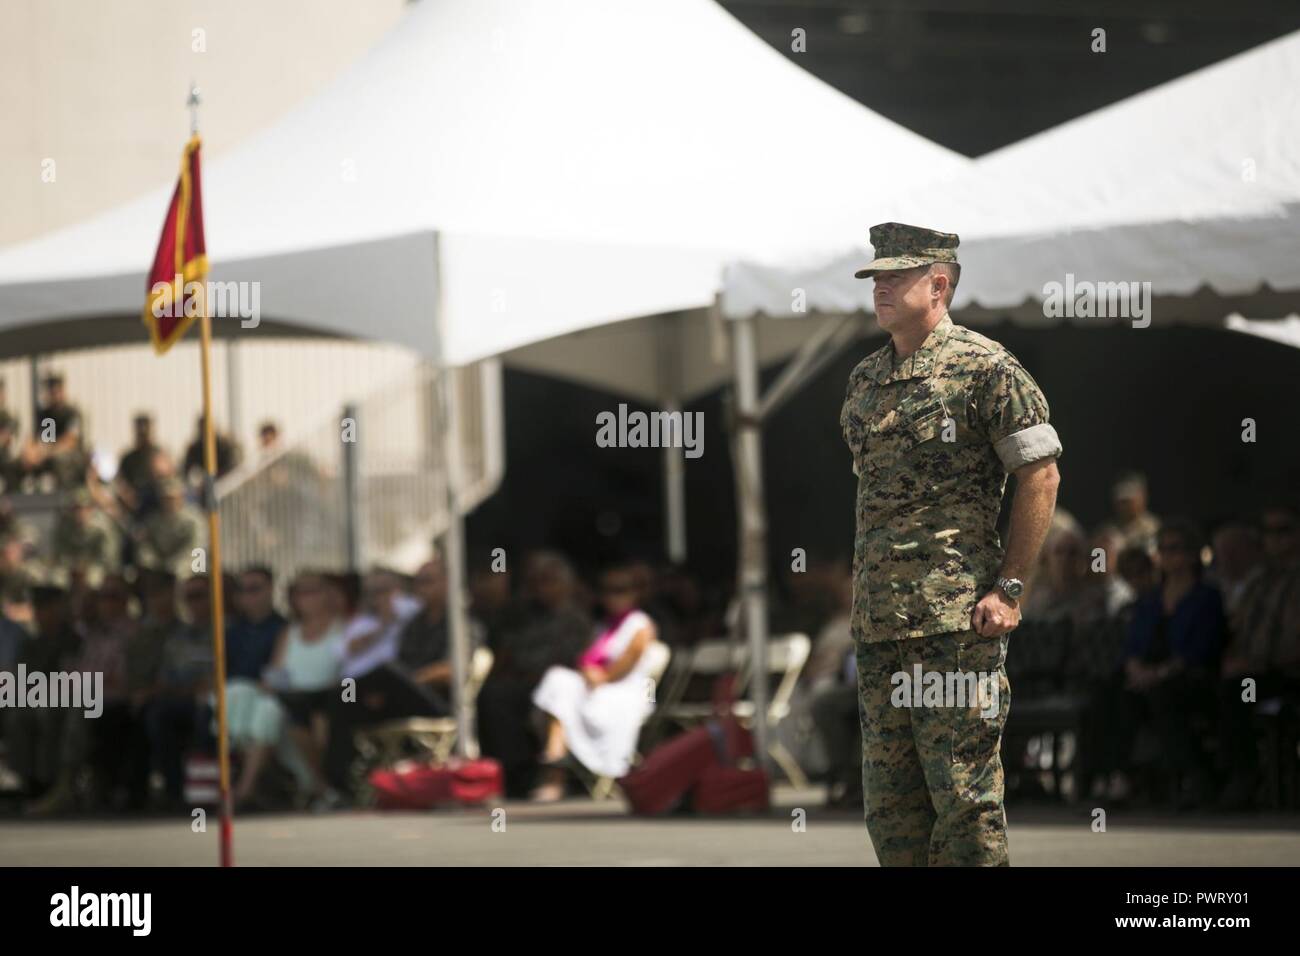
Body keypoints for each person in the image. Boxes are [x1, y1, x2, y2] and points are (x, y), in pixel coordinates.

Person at [841, 222, 1061, 866]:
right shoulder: (864, 381)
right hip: (881, 625)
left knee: (963, 800)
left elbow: (1040, 474)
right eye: (875, 276)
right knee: (892, 806)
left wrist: (1011, 586)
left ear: (938, 284)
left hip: (955, 622)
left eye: (894, 276)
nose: (879, 287)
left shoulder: (986, 369)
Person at [1121, 519, 1227, 809]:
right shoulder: (1151, 600)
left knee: (1163, 697)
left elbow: (1203, 648)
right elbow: (1132, 645)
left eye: (1175, 548)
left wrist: (1159, 674)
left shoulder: (1207, 597)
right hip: (1149, 676)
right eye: (1163, 549)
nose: (1168, 555)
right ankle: (1126, 780)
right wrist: (1137, 669)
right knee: (1112, 695)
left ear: (1193, 554)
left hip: (1190, 676)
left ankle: (1195, 777)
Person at [530, 561, 658, 801]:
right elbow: (585, 658)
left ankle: (554, 768)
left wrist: (603, 677)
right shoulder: (603, 626)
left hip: (624, 692)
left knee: (560, 692)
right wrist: (589, 672)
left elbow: (628, 663)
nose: (613, 596)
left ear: (635, 593)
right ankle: (556, 754)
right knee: (557, 681)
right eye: (607, 590)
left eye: (620, 589)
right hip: (595, 687)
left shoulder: (641, 625)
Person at [476, 551, 591, 797]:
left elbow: (570, 662)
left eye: (548, 580)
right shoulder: (522, 615)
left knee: (505, 698)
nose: (541, 588)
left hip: (555, 688)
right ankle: (504, 775)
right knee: (491, 694)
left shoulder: (576, 620)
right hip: (519, 683)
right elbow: (506, 650)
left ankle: (539, 774)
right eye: (536, 581)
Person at [1217, 504, 1300, 809]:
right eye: (1268, 532)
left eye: (1283, 531)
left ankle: (1246, 779)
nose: (1274, 539)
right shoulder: (1261, 582)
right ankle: (1225, 777)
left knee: (1236, 693)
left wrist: (1259, 662)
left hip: (1286, 674)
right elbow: (1239, 628)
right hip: (1255, 674)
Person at [22, 373, 90, 490]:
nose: (54, 395)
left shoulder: (71, 413)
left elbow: (70, 441)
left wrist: (46, 452)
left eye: (56, 391)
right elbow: (39, 438)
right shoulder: (46, 415)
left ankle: (64, 495)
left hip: (72, 456)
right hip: (48, 453)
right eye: (51, 392)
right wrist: (30, 453)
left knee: (60, 460)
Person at [134, 478, 203, 576]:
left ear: (181, 497)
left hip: (189, 570)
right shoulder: (153, 521)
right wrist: (152, 564)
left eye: (173, 498)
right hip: (160, 571)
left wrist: (175, 567)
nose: (169, 502)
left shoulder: (195, 520)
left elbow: (197, 550)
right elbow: (144, 546)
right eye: (165, 498)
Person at [1101, 472, 1160, 557]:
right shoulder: (1106, 531)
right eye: (1121, 501)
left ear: (1143, 498)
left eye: (1129, 501)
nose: (1125, 506)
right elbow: (1097, 567)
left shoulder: (1154, 528)